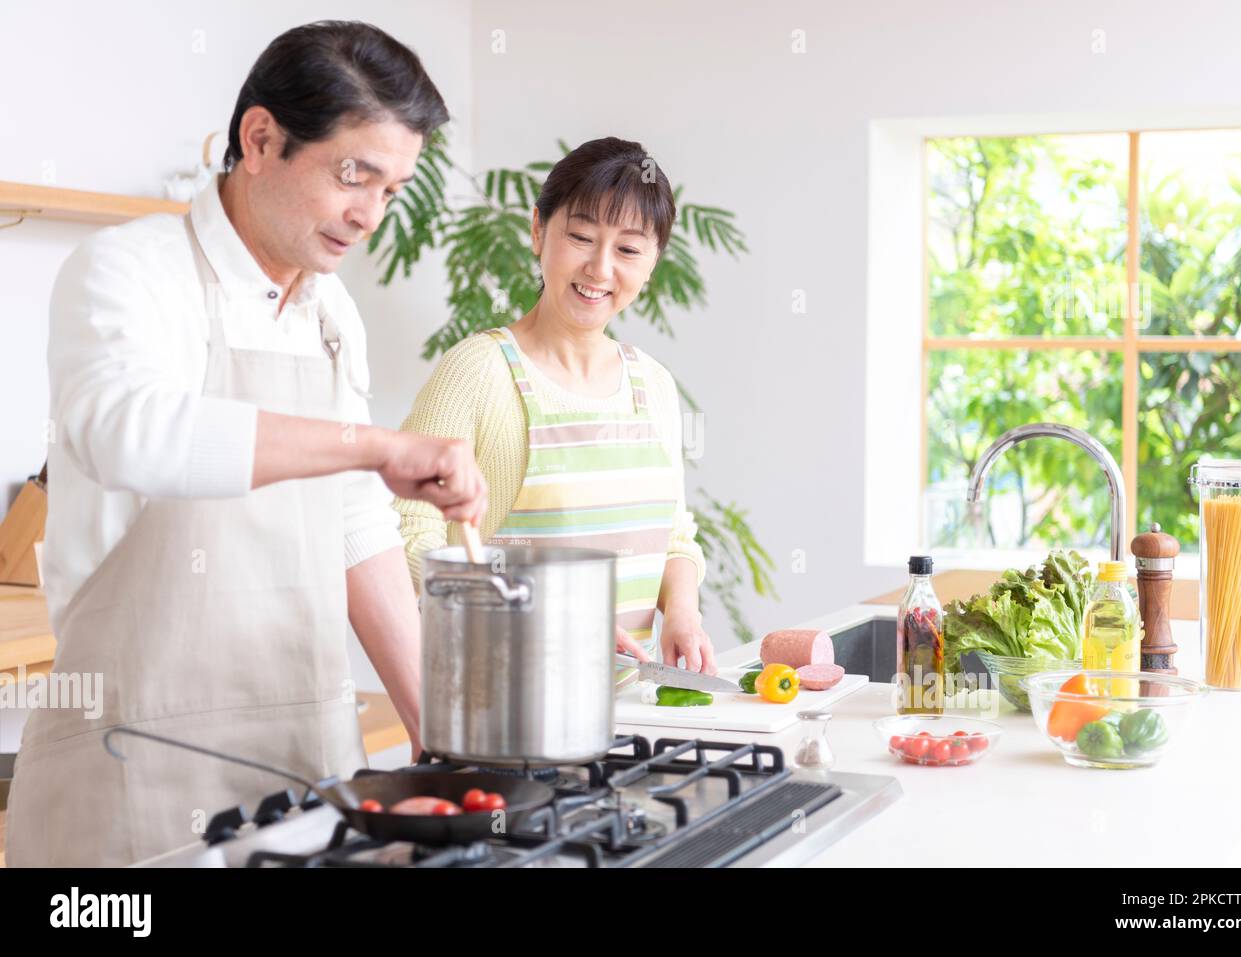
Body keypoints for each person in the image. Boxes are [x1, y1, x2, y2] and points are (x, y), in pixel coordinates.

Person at [4, 21, 486, 867]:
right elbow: (133, 434)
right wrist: (373, 445)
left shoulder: (330, 313)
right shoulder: (126, 270)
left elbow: (353, 524)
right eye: (353, 175)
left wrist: (439, 732)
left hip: (307, 756)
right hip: (135, 767)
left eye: (391, 190)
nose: (369, 215)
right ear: (259, 138)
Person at [395, 137, 715, 678]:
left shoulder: (653, 385)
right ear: (539, 230)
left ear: (654, 260)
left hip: (626, 709)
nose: (599, 268)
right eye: (582, 237)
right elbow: (406, 529)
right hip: (501, 703)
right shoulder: (478, 371)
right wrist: (532, 609)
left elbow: (675, 535)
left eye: (629, 250)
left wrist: (682, 610)